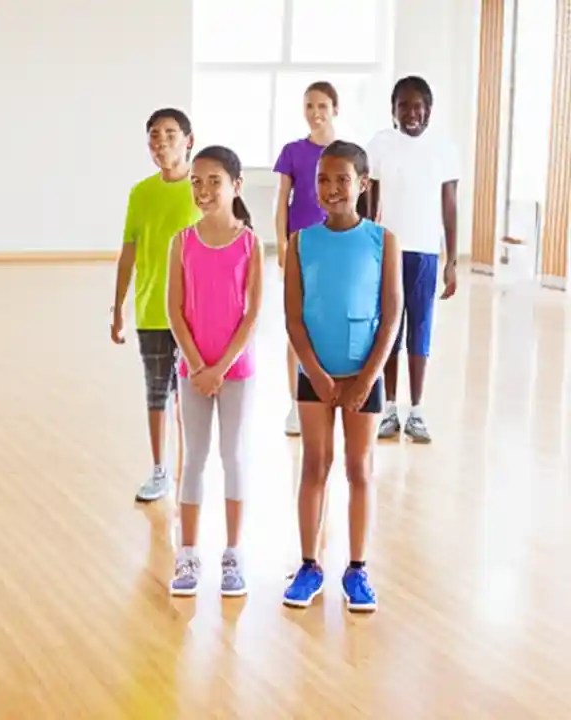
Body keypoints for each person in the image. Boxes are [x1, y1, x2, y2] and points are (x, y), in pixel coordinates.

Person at [282, 141, 402, 613]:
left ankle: (357, 569)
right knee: (315, 465)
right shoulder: (301, 242)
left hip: (363, 377)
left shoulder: (382, 240)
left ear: (362, 184)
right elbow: (294, 317)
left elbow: (391, 315)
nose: (331, 189)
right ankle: (309, 564)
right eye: (323, 180)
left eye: (342, 180)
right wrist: (315, 372)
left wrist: (366, 379)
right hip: (316, 375)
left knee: (359, 468)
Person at [165, 146, 263, 597]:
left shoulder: (250, 243)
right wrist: (198, 366)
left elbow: (252, 314)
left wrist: (219, 368)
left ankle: (234, 553)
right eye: (197, 182)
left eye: (214, 181)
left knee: (233, 456)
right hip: (193, 369)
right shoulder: (181, 242)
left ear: (235, 186)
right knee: (194, 459)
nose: (203, 190)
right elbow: (174, 309)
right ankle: (186, 554)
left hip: (235, 371)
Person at [112, 108, 203, 502]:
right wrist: (118, 307)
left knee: (190, 396)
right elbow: (129, 251)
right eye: (153, 135)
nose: (160, 141)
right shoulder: (140, 192)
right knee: (156, 393)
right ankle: (160, 470)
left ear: (188, 140)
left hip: (195, 313)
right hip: (151, 309)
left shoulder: (201, 190)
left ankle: (189, 470)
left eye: (169, 133)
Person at [365, 75, 460, 443]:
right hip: (386, 250)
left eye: (418, 105)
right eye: (403, 106)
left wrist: (452, 259)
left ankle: (416, 411)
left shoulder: (443, 149)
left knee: (420, 328)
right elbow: (369, 200)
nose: (411, 113)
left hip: (424, 253)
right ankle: (389, 408)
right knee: (390, 329)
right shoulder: (380, 145)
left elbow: (449, 205)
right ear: (393, 111)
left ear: (429, 111)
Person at [273, 81, 338, 437]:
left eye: (322, 106)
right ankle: (296, 405)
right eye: (310, 106)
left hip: (337, 251)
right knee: (296, 326)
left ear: (335, 110)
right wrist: (282, 245)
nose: (315, 113)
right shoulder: (293, 151)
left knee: (331, 325)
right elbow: (281, 200)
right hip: (301, 249)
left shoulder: (346, 152)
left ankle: (330, 396)